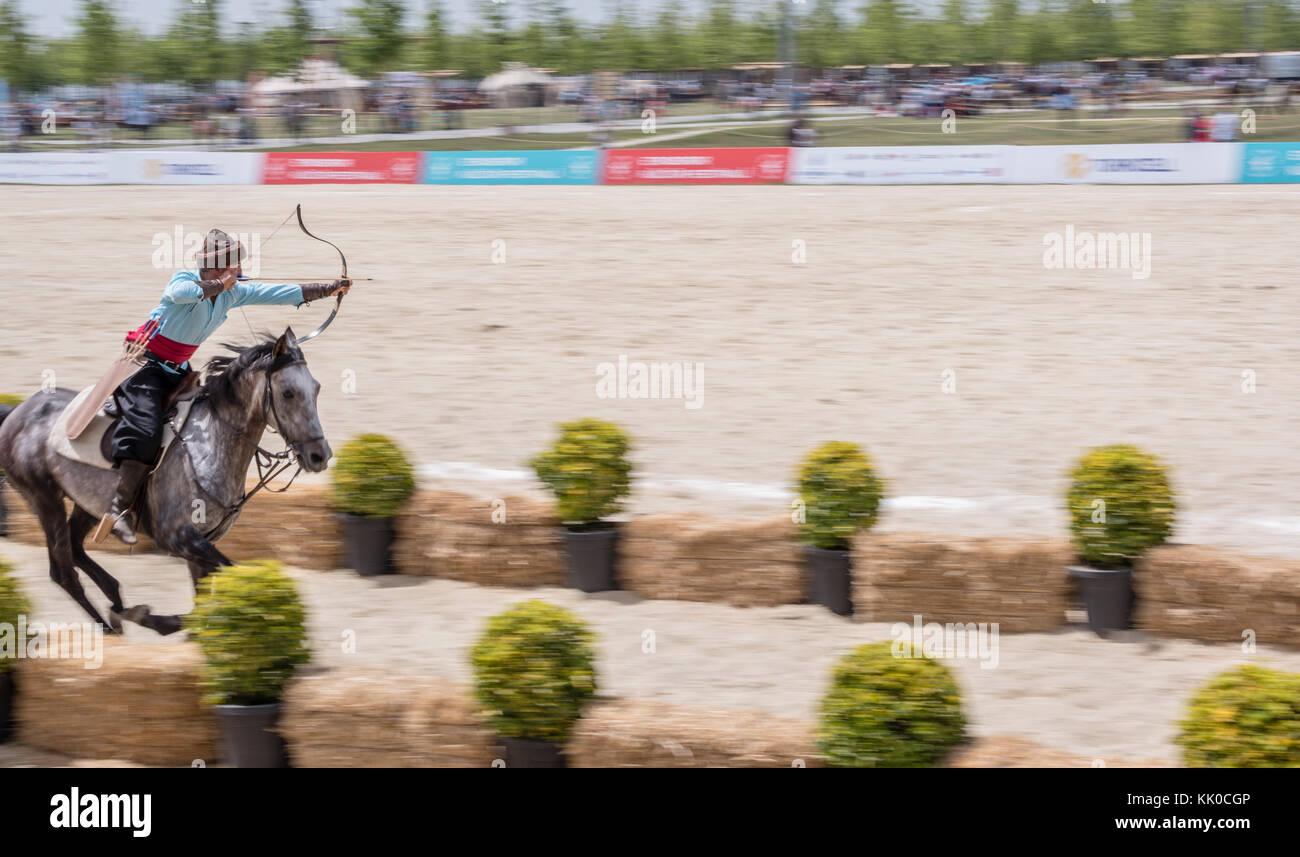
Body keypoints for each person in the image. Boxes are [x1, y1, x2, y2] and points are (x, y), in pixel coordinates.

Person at [95, 229, 350, 544]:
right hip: (143, 368)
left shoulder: (233, 292)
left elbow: (277, 292)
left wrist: (329, 288)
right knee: (146, 430)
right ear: (216, 267)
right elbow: (180, 294)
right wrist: (218, 285)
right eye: (234, 266)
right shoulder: (184, 280)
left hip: (179, 374)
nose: (240, 272)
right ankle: (120, 507)